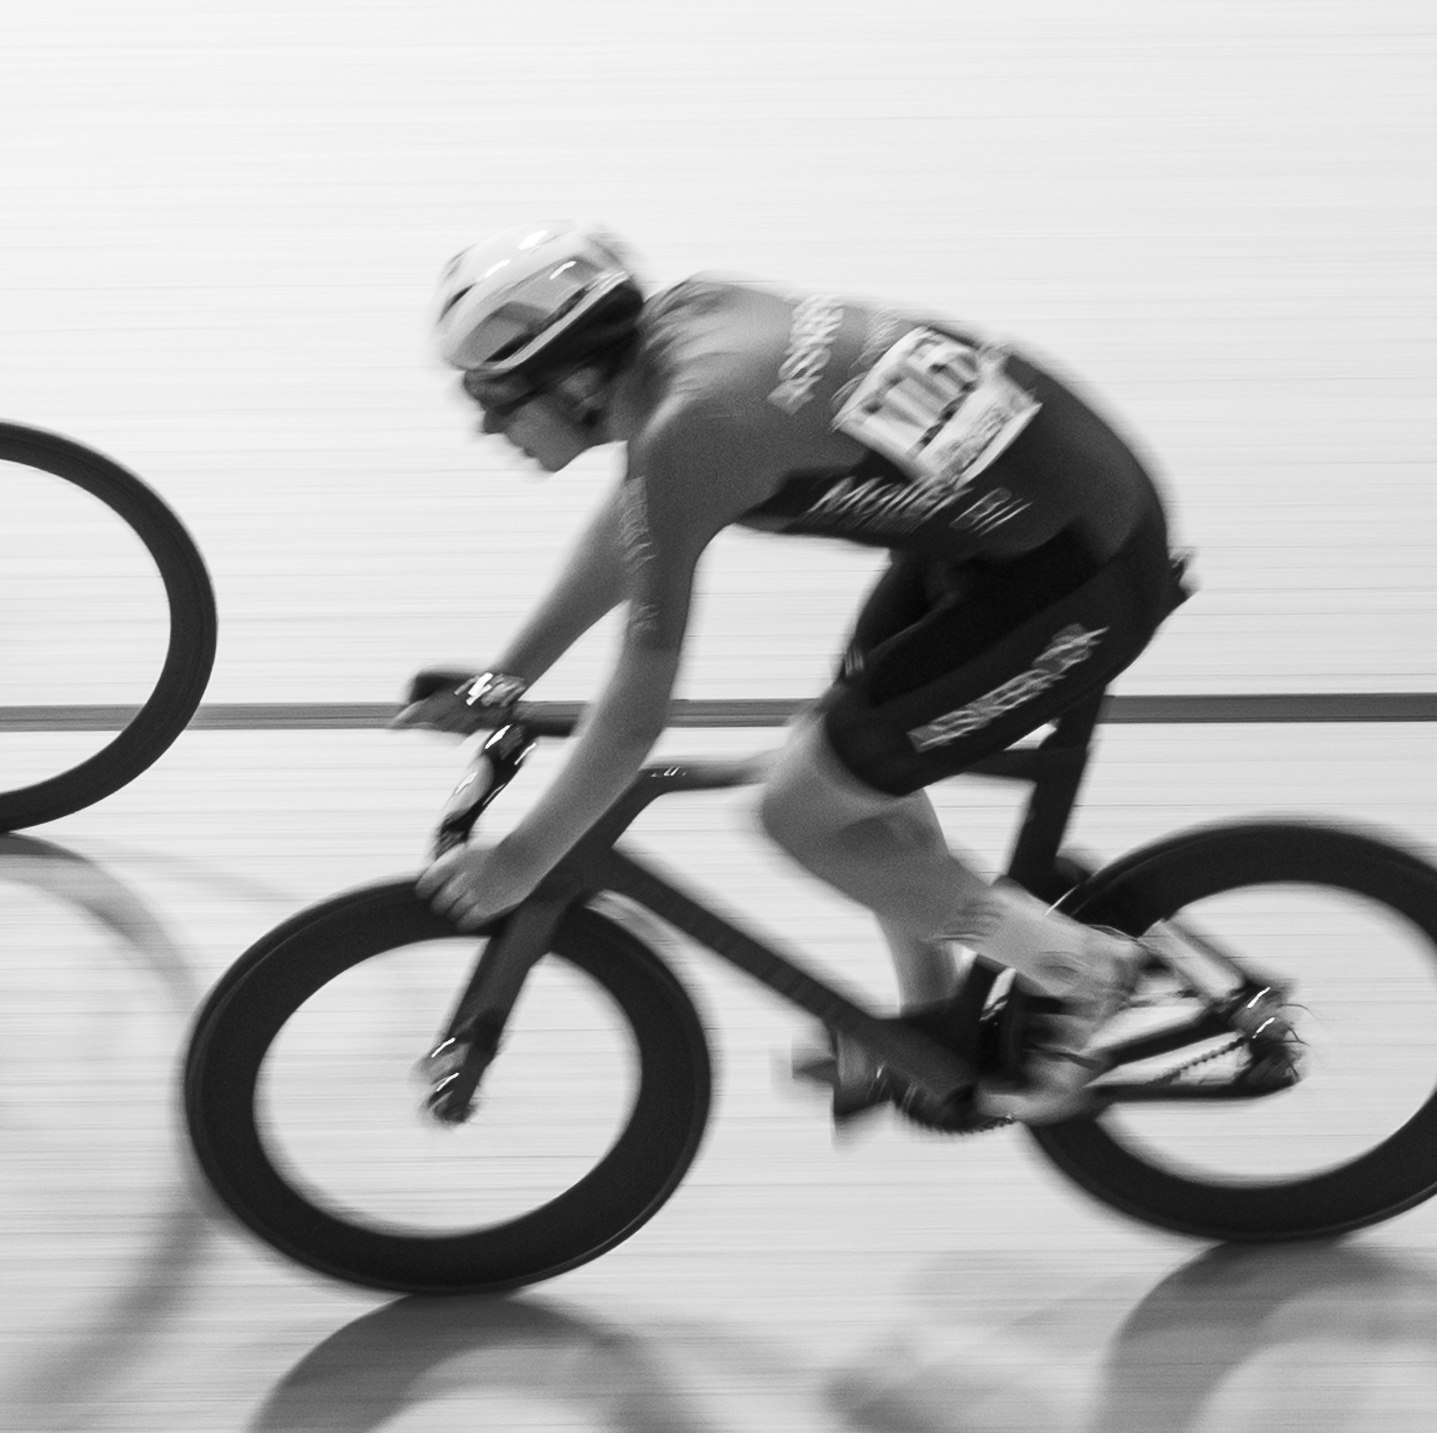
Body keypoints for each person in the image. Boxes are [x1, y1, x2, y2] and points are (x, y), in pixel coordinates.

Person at [400, 226, 1190, 1123]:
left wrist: (522, 859)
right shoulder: (685, 337)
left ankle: (1084, 968)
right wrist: (508, 679)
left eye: (498, 398)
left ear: (576, 377)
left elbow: (635, 713)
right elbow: (643, 522)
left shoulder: (696, 426)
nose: (485, 424)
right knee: (851, 752)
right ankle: (932, 1027)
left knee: (801, 811)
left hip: (1077, 572)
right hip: (1008, 536)